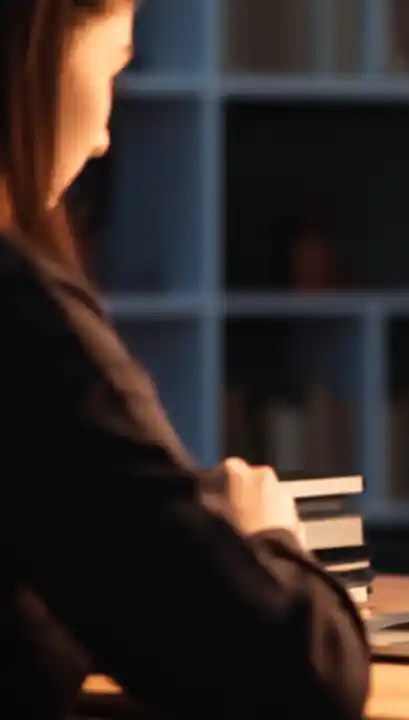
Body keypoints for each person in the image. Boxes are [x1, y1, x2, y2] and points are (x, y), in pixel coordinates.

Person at [0, 2, 371, 718]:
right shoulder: (20, 321)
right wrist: (266, 542)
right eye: (116, 64)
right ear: (39, 51)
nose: (105, 137)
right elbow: (302, 674)